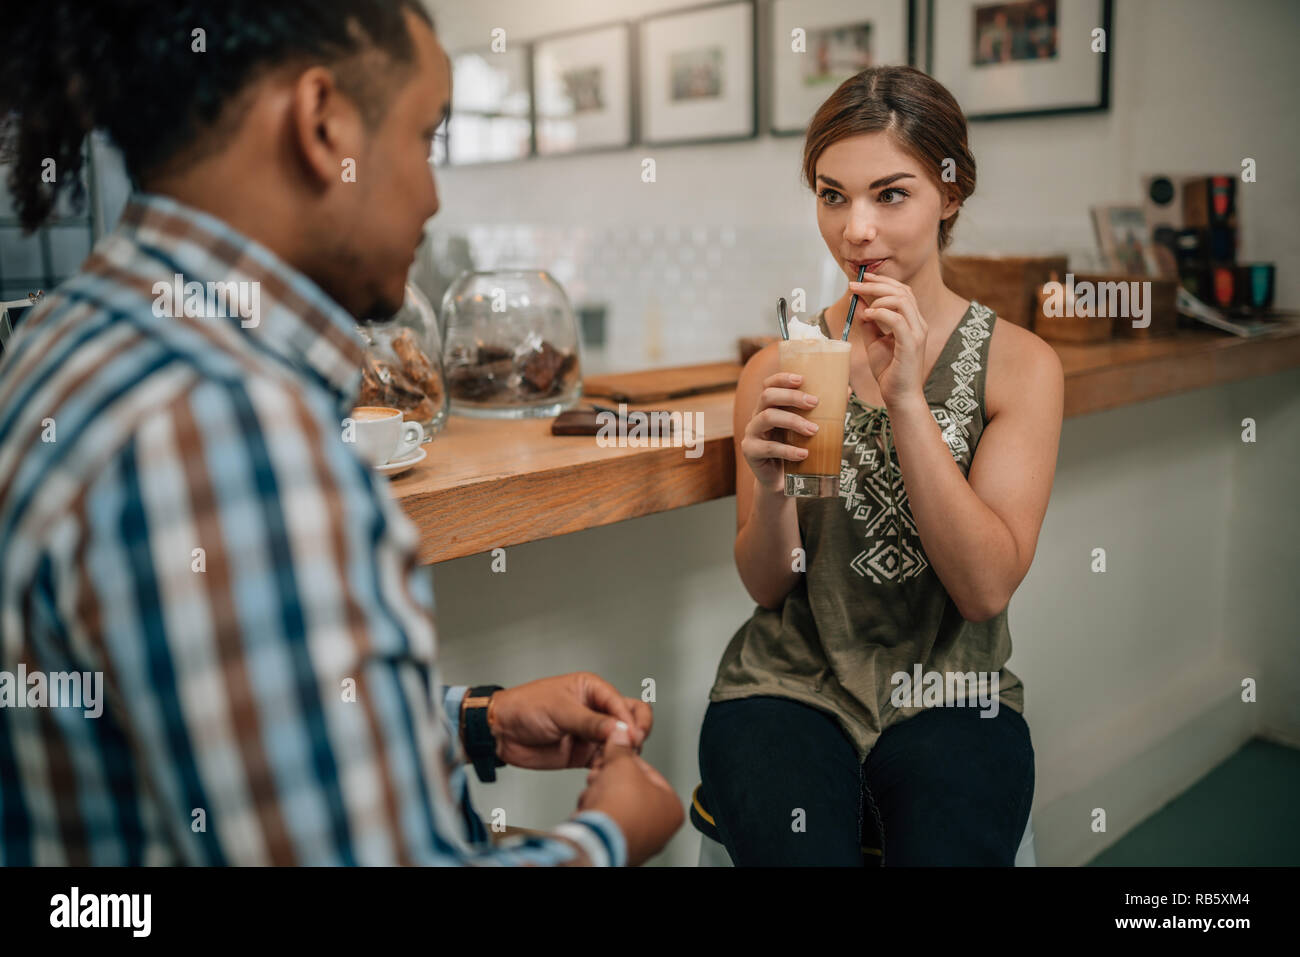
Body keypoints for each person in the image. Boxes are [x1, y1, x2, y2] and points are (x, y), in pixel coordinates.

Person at [0, 1, 682, 866]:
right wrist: (608, 837)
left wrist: (473, 720)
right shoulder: (230, 428)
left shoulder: (76, 328)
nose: (434, 195)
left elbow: (215, 721)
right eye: (426, 137)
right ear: (323, 123)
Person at [698, 66, 1063, 865]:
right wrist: (768, 487)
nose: (855, 230)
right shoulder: (780, 364)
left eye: (890, 194)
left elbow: (984, 586)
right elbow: (768, 585)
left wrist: (907, 400)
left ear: (951, 192)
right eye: (833, 196)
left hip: (954, 692)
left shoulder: (1020, 366)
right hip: (786, 686)